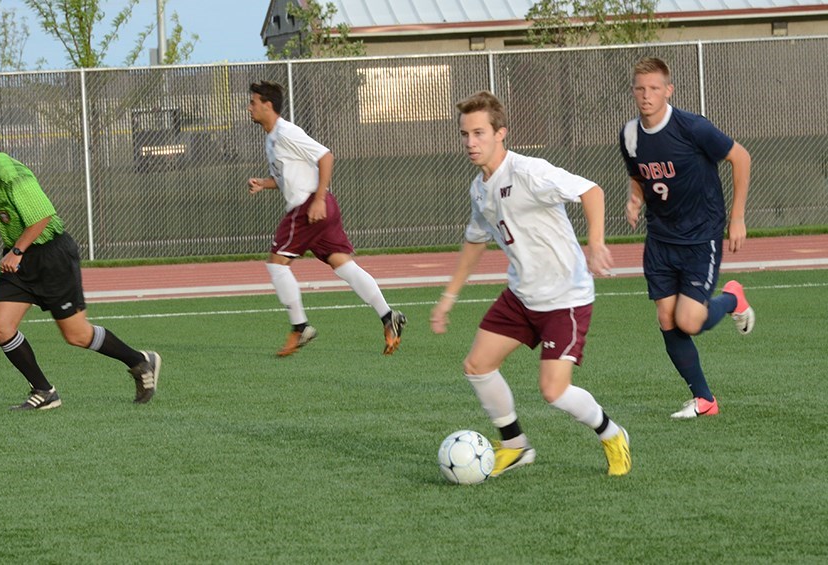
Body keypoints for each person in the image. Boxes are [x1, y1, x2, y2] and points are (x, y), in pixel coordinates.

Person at [431, 91, 631, 477]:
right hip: (522, 295)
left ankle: (612, 434)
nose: (470, 143)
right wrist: (448, 298)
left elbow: (592, 191)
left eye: (479, 133)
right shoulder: (479, 188)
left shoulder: (529, 172)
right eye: (465, 134)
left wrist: (596, 242)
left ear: (500, 133)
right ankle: (515, 446)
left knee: (553, 391)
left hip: (564, 297)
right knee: (477, 365)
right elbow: (475, 242)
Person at [0, 110, 160, 410]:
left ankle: (140, 361)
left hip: (50, 255)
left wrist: (17, 251)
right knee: (0, 326)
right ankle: (44, 390)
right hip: (19, 259)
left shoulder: (9, 172)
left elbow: (41, 216)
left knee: (77, 335)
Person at [621, 57, 755, 419]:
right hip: (661, 239)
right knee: (667, 319)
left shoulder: (693, 127)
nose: (646, 96)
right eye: (640, 88)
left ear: (668, 90)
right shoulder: (630, 134)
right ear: (633, 90)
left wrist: (738, 217)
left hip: (700, 236)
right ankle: (705, 399)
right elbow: (639, 174)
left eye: (654, 88)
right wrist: (635, 199)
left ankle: (731, 299)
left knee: (690, 321)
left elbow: (740, 158)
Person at [246, 80, 406, 357]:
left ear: (267, 105)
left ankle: (300, 327)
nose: (249, 107)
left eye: (253, 102)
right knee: (343, 265)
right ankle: (388, 315)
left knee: (277, 265)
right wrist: (264, 183)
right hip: (321, 206)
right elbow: (289, 176)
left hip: (309, 206)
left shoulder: (286, 132)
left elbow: (326, 156)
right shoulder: (271, 138)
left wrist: (318, 199)